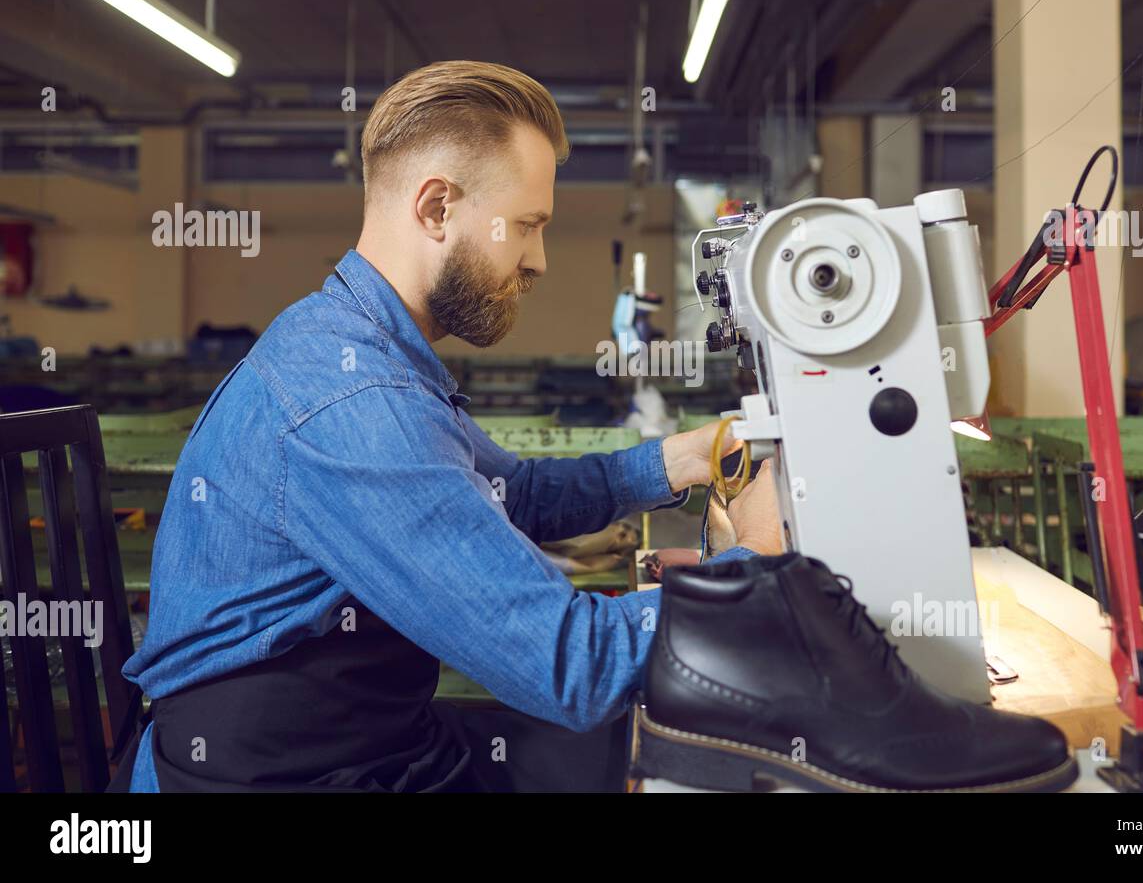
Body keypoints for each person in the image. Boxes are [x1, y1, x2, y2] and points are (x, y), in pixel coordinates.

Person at [110, 61, 778, 793]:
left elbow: (511, 491)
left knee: (624, 756)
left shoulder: (359, 339)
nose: (538, 260)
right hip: (286, 775)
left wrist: (682, 458)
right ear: (436, 209)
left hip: (363, 738)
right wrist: (754, 561)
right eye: (526, 226)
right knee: (677, 765)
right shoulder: (358, 401)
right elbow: (574, 665)